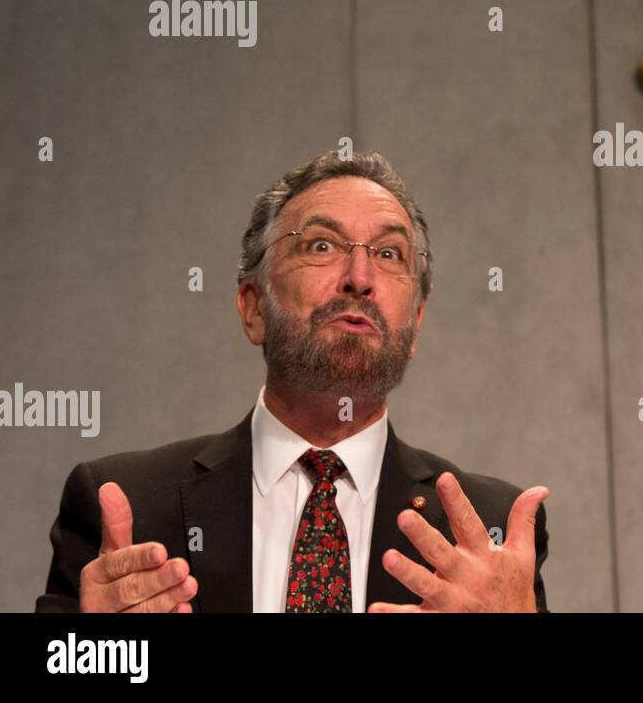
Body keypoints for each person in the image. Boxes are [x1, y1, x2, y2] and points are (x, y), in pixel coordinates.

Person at [36, 150, 549, 613]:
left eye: (389, 253)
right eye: (322, 244)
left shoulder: (487, 533)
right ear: (253, 307)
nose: (360, 276)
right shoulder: (126, 507)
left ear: (415, 324)